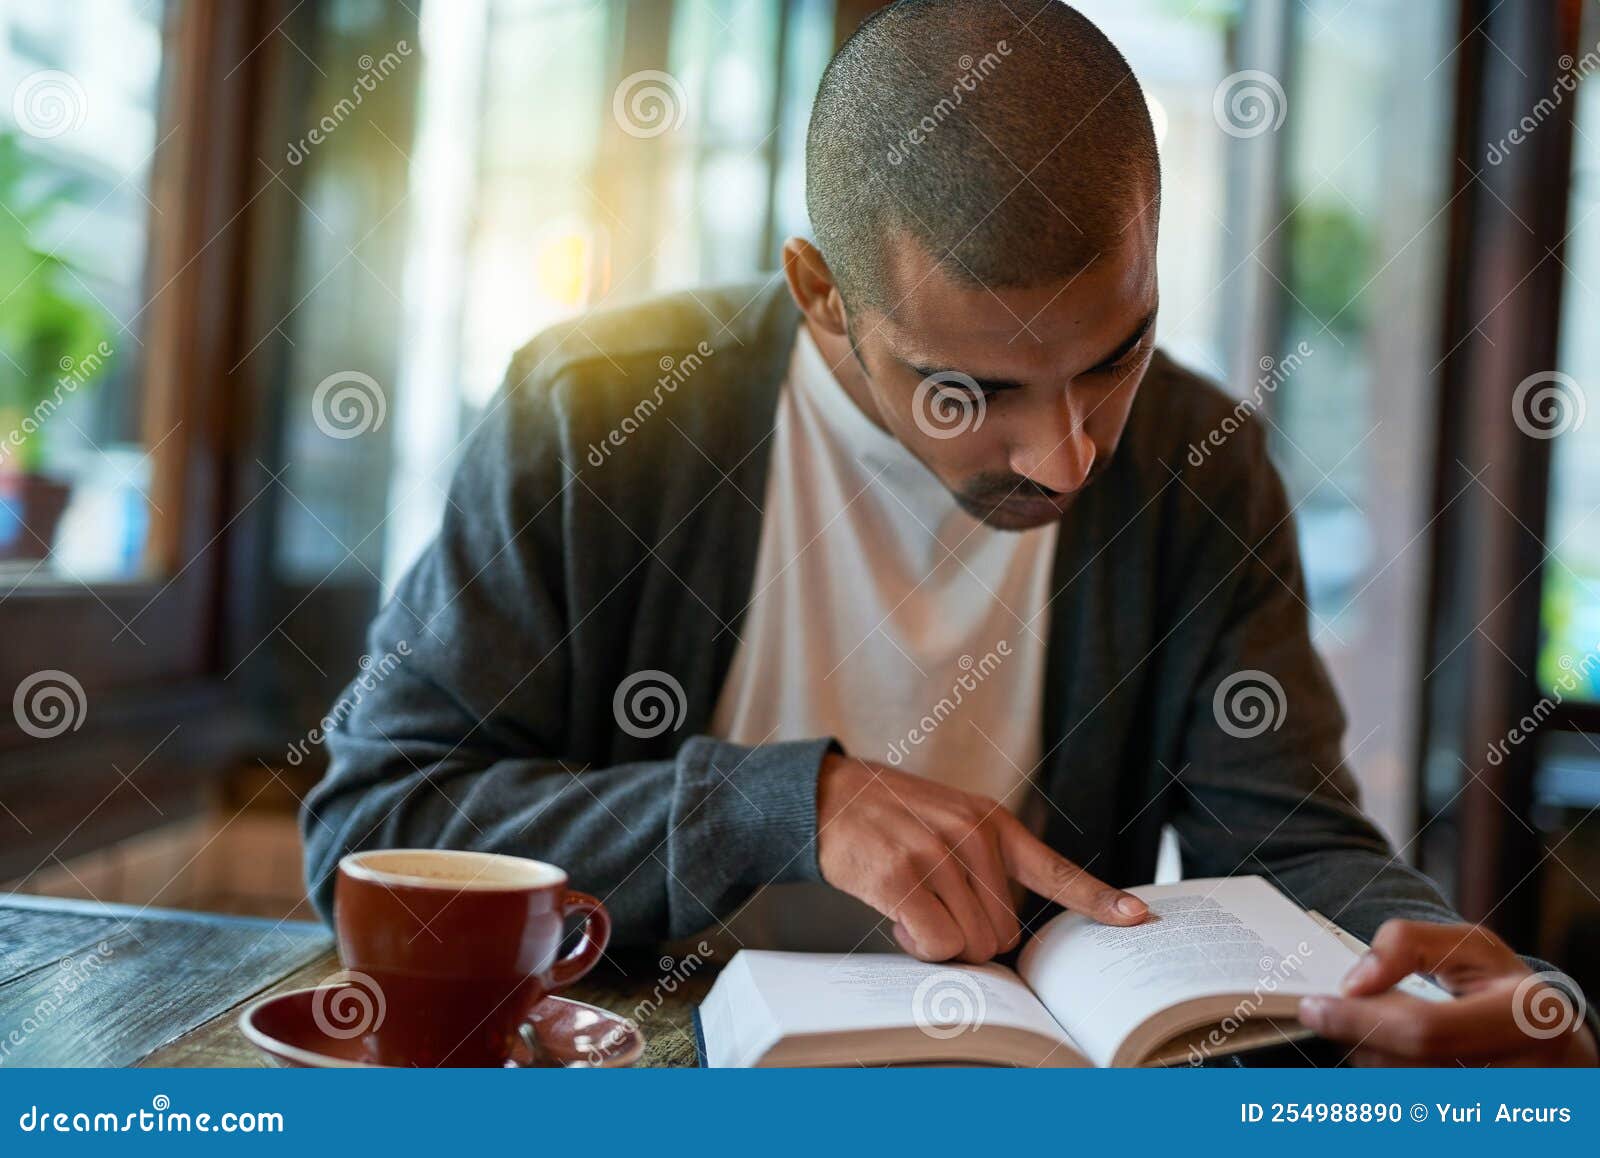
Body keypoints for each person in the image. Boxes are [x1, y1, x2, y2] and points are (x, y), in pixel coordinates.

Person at [301, 0, 1595, 1065]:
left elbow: (1290, 843)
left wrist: (1463, 981)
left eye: (1115, 354)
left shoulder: (1201, 467)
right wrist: (788, 805)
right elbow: (375, 821)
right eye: (973, 391)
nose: (1068, 452)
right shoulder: (593, 419)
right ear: (823, 295)